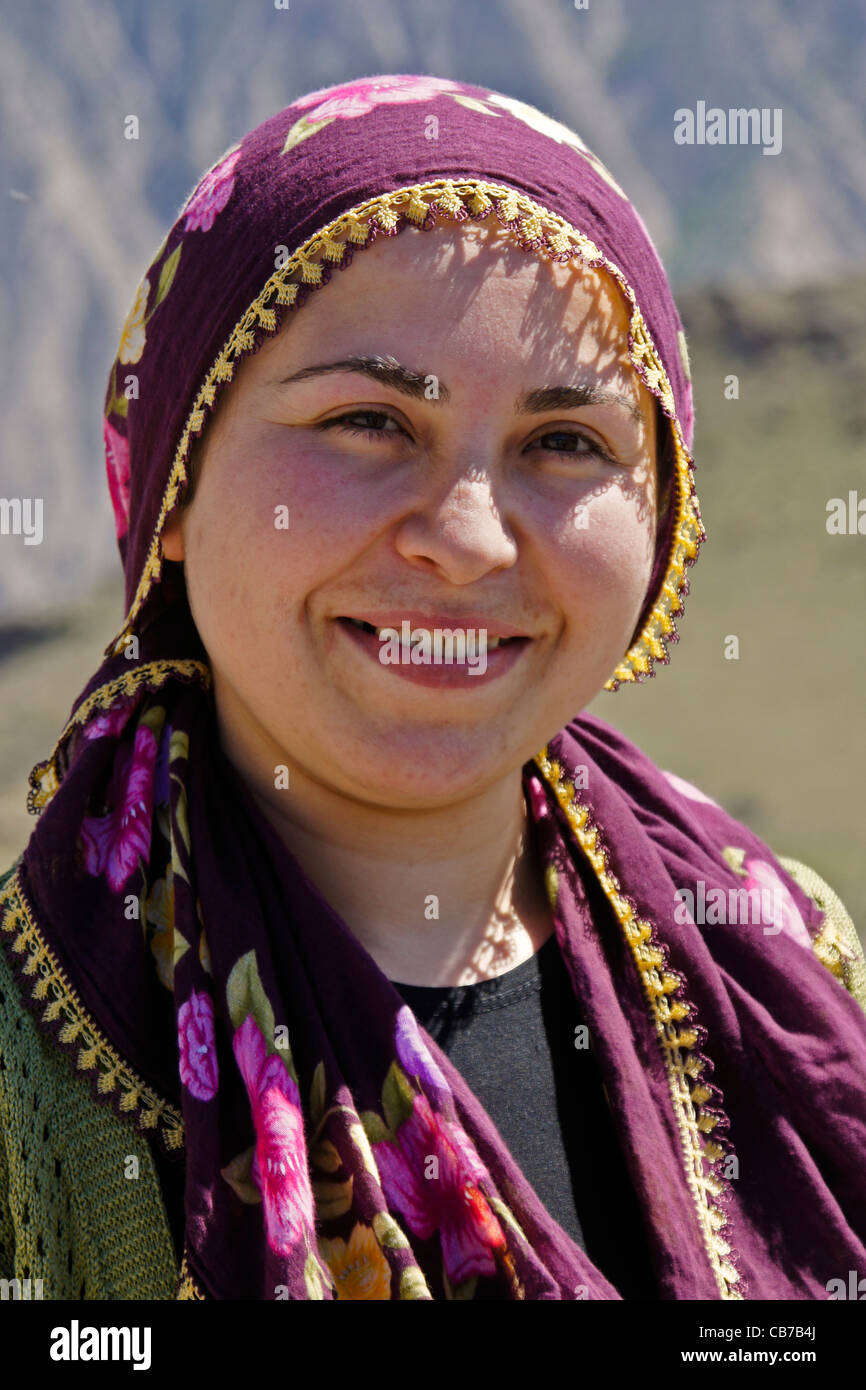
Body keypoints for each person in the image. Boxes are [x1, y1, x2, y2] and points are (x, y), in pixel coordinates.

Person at [1, 73, 864, 1303]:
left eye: (564, 443)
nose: (466, 539)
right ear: (175, 483)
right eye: (366, 421)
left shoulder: (788, 960)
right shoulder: (27, 1077)